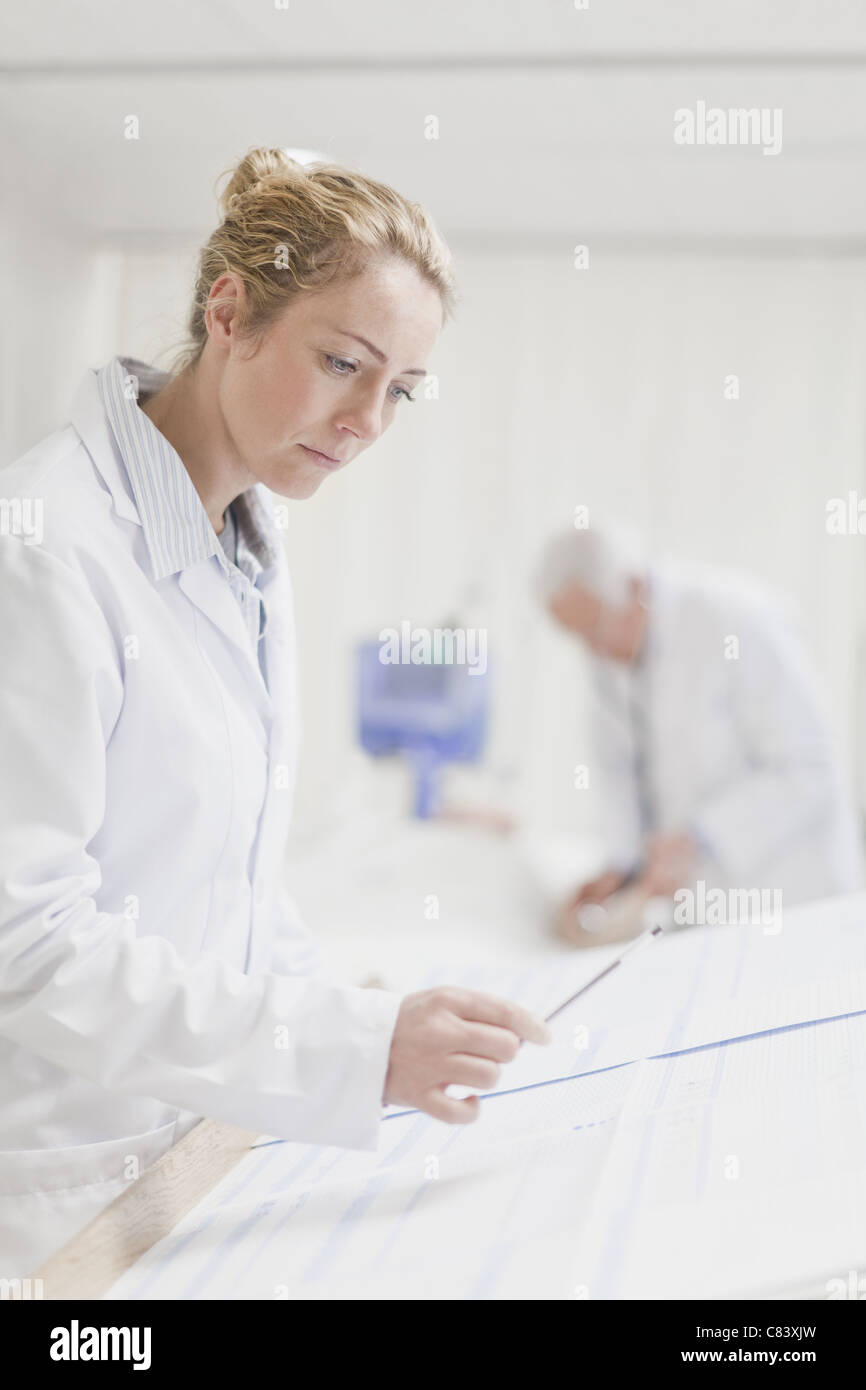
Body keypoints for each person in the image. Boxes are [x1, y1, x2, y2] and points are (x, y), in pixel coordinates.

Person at [0, 147, 549, 1275]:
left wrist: (363, 1017)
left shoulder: (248, 540)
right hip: (63, 1182)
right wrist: (345, 1045)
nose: (364, 421)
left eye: (398, 389)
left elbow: (222, 888)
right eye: (342, 362)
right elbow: (28, 945)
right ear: (229, 310)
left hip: (191, 1145)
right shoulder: (47, 548)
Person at [535, 521, 863, 947]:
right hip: (709, 916)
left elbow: (809, 766)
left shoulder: (737, 620)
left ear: (635, 588)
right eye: (577, 638)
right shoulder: (609, 662)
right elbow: (623, 775)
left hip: (797, 898)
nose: (592, 651)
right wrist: (622, 868)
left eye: (595, 629)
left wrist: (701, 837)